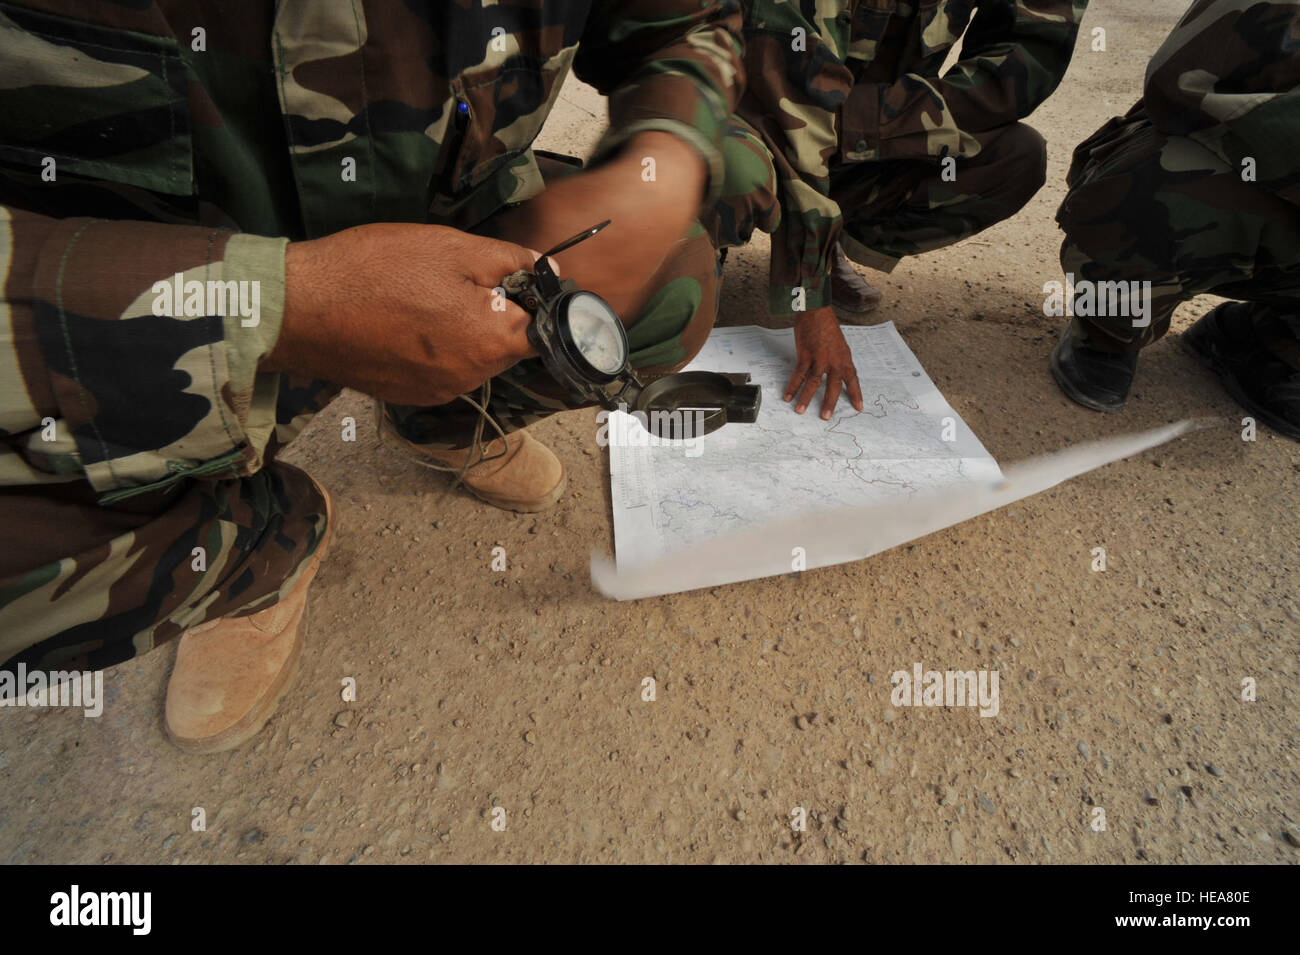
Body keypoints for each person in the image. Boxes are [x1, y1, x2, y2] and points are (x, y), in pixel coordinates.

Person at [0, 0, 772, 752]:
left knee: (675, 281)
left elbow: (684, 20)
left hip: (450, 225)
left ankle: (441, 420)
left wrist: (664, 160)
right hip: (151, 310)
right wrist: (281, 308)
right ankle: (247, 550)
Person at [725, 0, 1088, 419]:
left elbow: (1019, 66)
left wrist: (864, 120)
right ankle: (708, 243)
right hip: (756, 119)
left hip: (868, 131)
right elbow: (784, 101)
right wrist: (809, 299)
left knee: (1016, 156)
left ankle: (833, 239)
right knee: (732, 171)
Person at [1050, 0, 1300, 440]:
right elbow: (1182, 85)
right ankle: (1110, 328)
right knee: (1164, 183)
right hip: (1234, 163)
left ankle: (1274, 345)